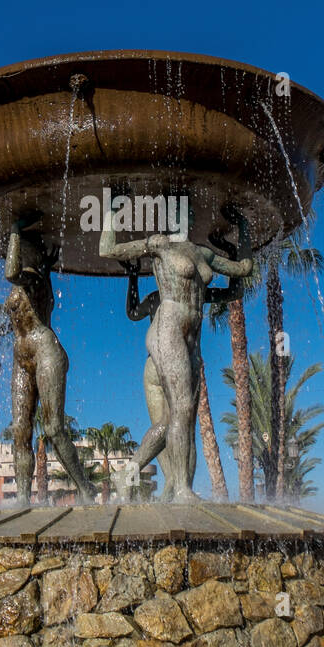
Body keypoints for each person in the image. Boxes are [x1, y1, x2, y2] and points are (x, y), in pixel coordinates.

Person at [99, 200, 251, 500]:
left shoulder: (203, 252)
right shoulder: (159, 246)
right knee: (180, 411)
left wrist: (243, 229)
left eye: (189, 209)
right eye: (180, 208)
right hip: (167, 328)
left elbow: (243, 272)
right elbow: (108, 250)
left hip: (192, 337)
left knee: (180, 420)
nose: (189, 213)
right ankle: (181, 489)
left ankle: (131, 475)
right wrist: (112, 211)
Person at [4, 214, 95, 504]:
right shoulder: (35, 277)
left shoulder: (33, 279)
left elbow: (9, 273)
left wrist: (15, 231)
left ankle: (85, 487)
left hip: (46, 351)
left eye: (20, 247)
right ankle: (21, 498)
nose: (16, 251)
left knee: (53, 427)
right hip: (22, 357)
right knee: (20, 429)